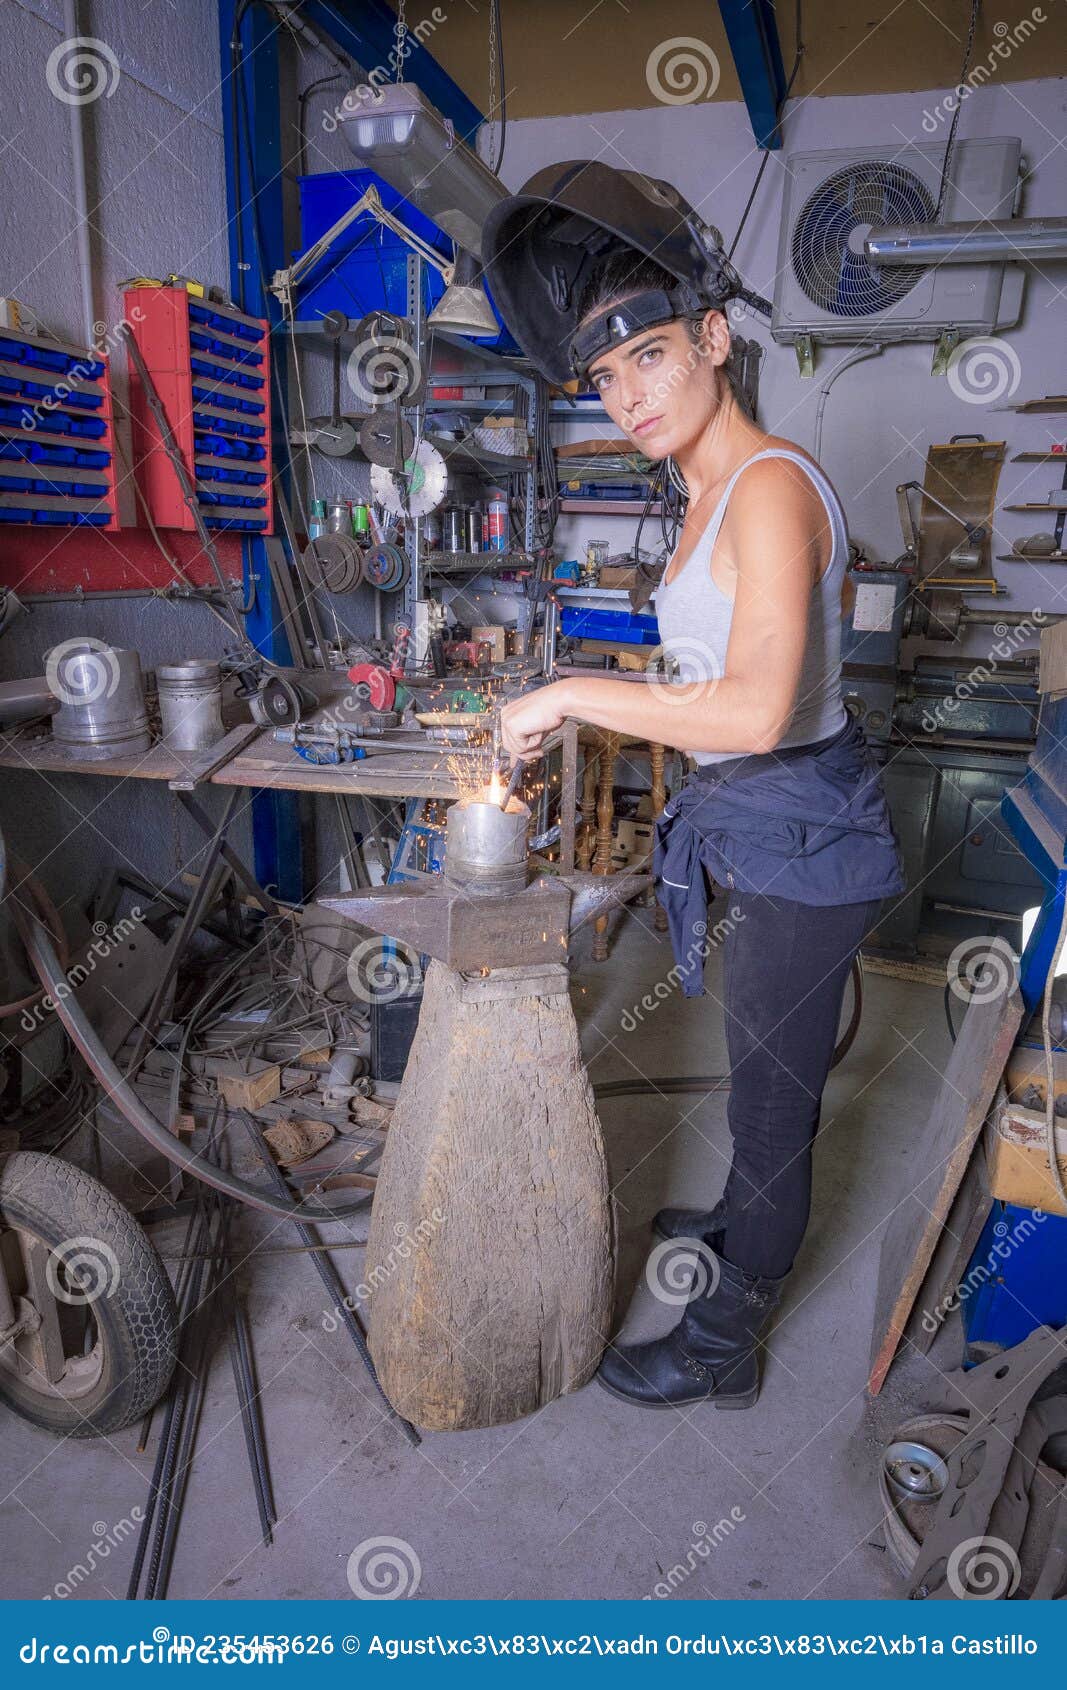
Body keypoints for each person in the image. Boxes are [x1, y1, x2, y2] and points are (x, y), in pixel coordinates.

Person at [480, 162, 905, 1410]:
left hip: (804, 836)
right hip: (752, 826)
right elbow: (707, 669)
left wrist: (568, 696)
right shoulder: (701, 490)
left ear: (714, 338)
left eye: (650, 358)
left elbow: (757, 707)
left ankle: (723, 1350)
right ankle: (731, 1216)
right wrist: (592, 690)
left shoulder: (768, 488)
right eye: (603, 378)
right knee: (755, 1063)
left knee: (774, 1114)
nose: (625, 398)